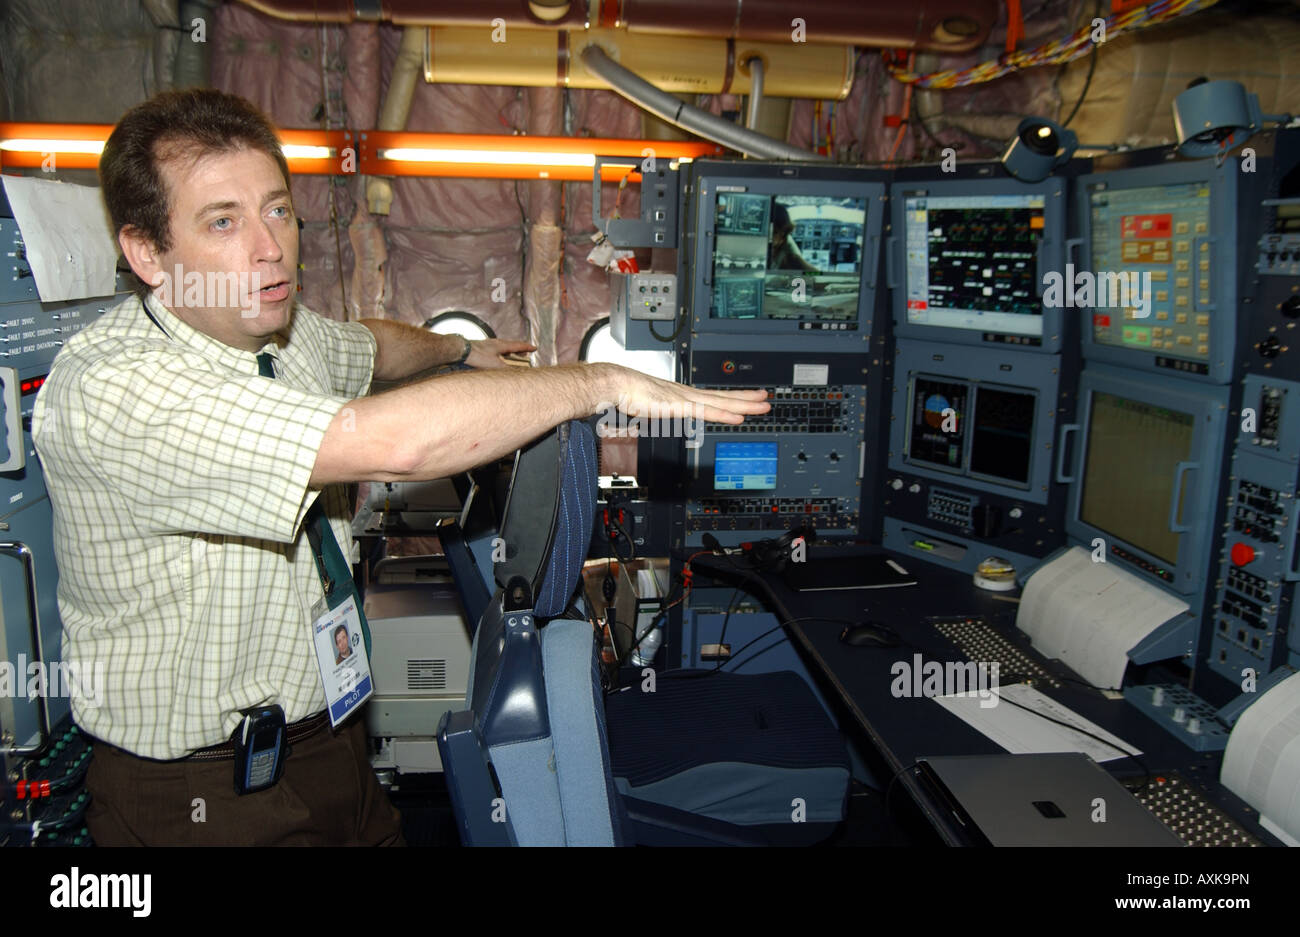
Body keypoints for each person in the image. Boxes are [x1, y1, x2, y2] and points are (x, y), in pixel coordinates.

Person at [31, 88, 768, 846]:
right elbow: (391, 443)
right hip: (201, 789)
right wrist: (601, 382)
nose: (269, 246)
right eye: (223, 221)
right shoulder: (113, 389)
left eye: (278, 210)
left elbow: (371, 345)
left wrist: (458, 348)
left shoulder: (284, 335)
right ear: (148, 253)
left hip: (331, 738)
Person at [768, 202, 819, 274]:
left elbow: (816, 274)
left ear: (783, 234)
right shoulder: (774, 245)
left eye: (774, 232)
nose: (768, 236)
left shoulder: (791, 258)